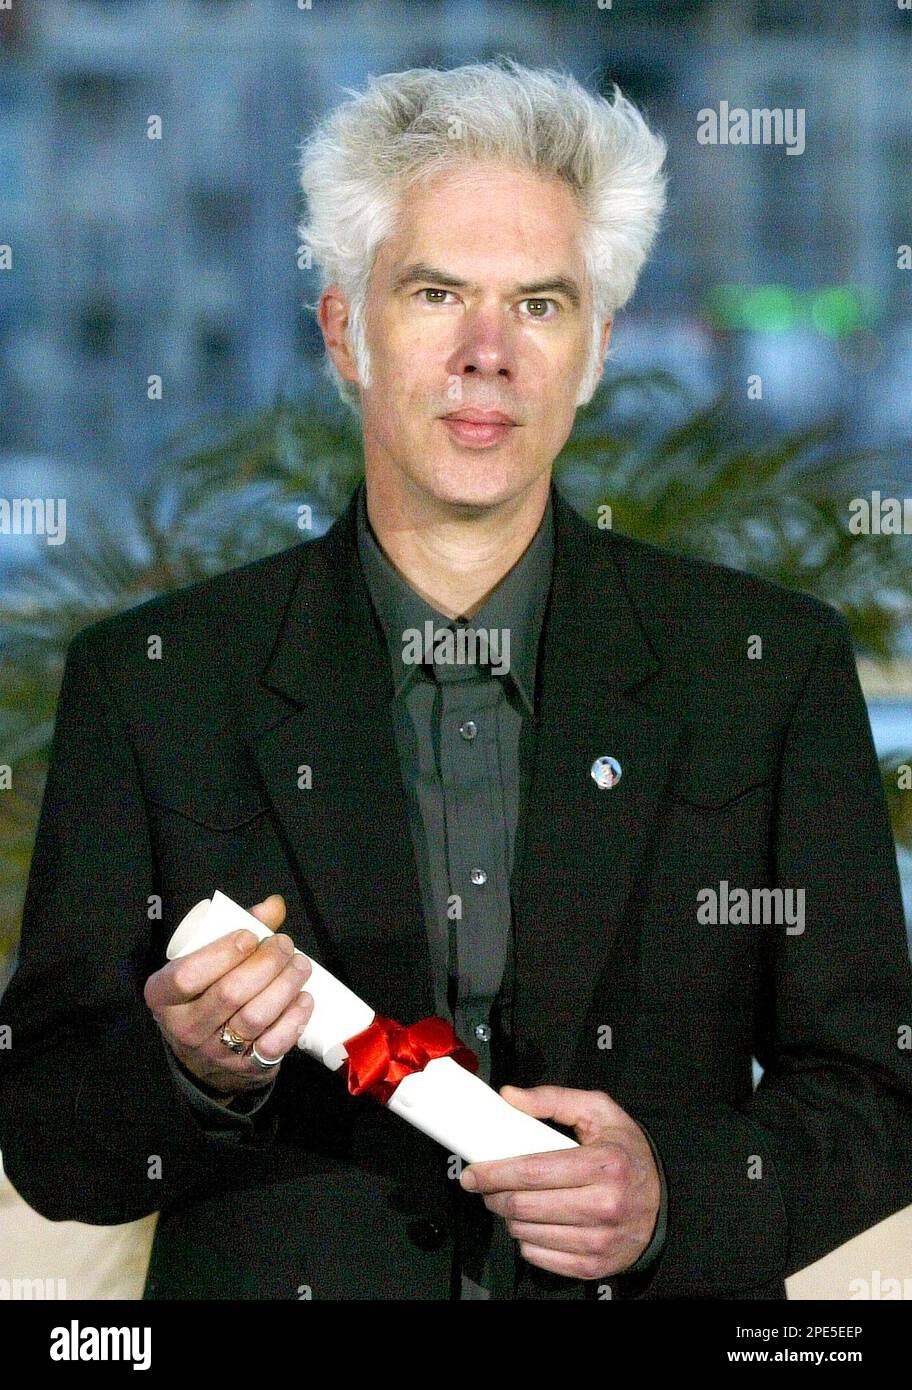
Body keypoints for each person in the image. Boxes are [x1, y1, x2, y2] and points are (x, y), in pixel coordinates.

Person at [1, 57, 910, 1301]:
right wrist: (190, 1069)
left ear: (595, 348)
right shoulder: (156, 682)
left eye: (540, 305)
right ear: (342, 332)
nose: (489, 353)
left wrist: (669, 1202)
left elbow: (875, 1094)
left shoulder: (767, 670)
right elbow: (52, 1139)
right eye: (436, 293)